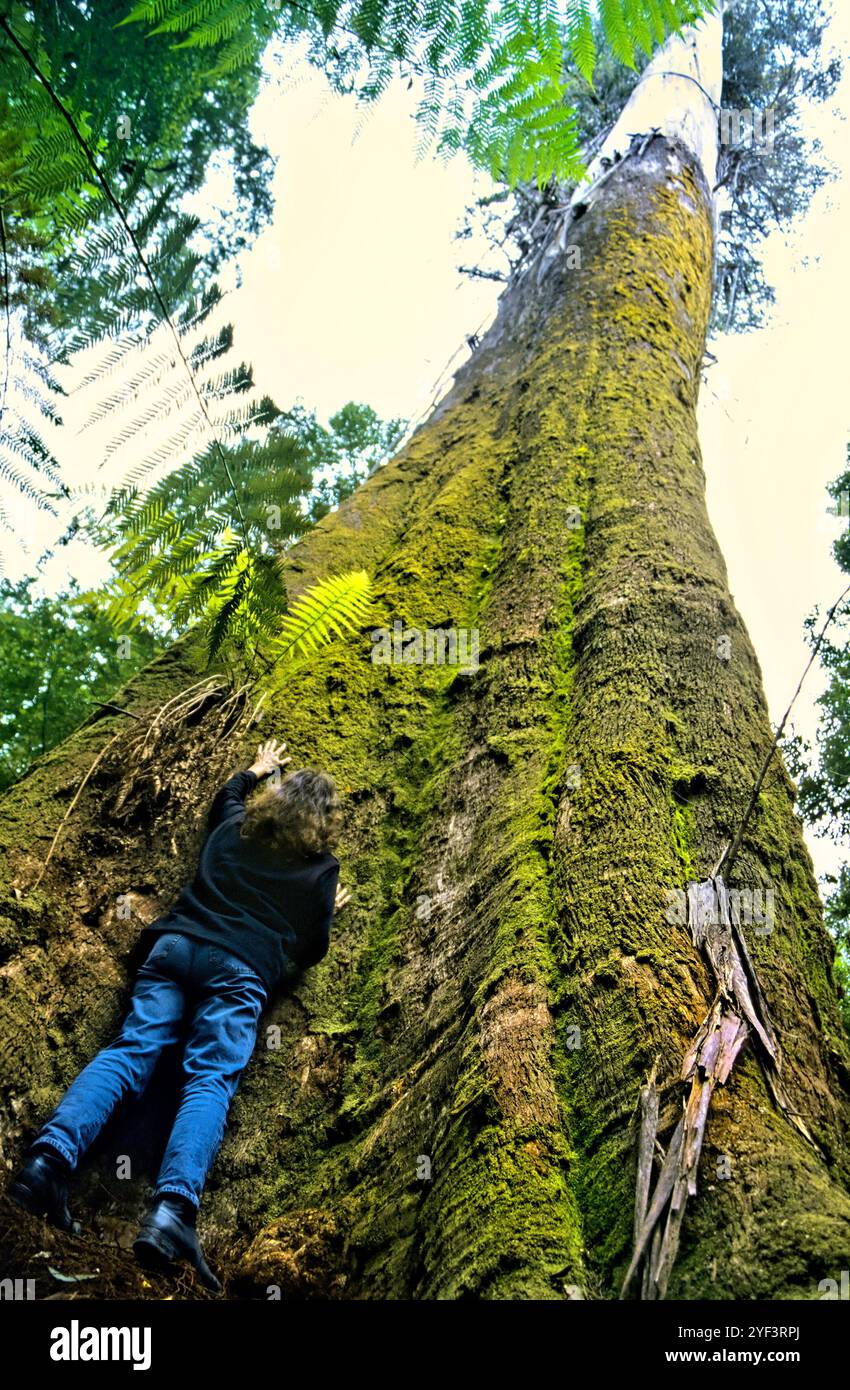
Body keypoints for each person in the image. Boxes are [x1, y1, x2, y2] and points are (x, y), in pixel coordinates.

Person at [9, 738, 349, 1292]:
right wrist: (323, 909)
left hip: (174, 947)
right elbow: (311, 950)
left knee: (129, 1051)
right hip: (239, 970)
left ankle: (45, 1165)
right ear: (324, 824)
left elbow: (228, 796)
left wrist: (256, 770)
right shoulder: (320, 872)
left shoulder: (232, 829)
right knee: (209, 1079)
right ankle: (170, 1213)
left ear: (274, 800)